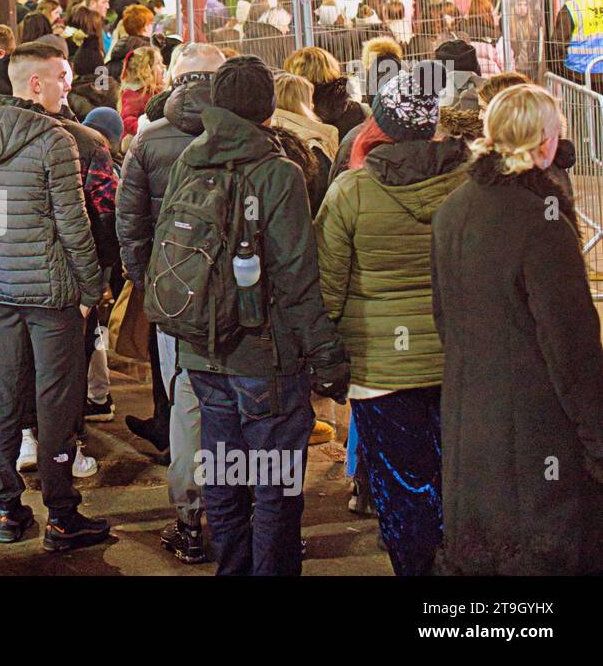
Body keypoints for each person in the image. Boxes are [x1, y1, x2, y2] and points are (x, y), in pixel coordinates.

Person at [156, 55, 349, 575]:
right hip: (265, 359)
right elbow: (295, 278)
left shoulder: (190, 159)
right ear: (268, 111)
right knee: (275, 488)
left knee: (223, 477)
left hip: (201, 350)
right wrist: (328, 358)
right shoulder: (278, 172)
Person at [432, 83, 603, 575]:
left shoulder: (453, 210)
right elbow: (571, 346)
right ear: (546, 141)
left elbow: (443, 316)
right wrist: (596, 436)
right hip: (535, 431)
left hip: (469, 420)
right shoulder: (542, 220)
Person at [0, 41, 110, 551]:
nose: (70, 85)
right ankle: (63, 515)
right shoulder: (54, 140)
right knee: (56, 404)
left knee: (4, 396)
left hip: (1, 290)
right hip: (52, 295)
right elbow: (74, 225)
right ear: (36, 83)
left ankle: (7, 508)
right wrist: (92, 289)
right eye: (62, 76)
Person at [315, 65, 465, 576]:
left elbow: (327, 288)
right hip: (458, 362)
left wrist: (324, 356)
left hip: (382, 370)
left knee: (402, 487)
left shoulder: (351, 193)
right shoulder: (469, 186)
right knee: (457, 479)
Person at [115, 41, 224, 562]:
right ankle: (244, 516)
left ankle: (191, 520)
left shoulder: (148, 141)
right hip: (240, 303)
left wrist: (150, 282)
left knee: (186, 404)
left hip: (174, 302)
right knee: (241, 405)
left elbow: (128, 224)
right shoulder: (258, 141)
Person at [270, 72, 338, 210]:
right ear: (303, 103)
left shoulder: (263, 134)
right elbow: (323, 196)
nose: (313, 105)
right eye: (310, 99)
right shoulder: (312, 143)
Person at [549, 0, 603, 91]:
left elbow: (556, 44)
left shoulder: (571, 7)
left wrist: (558, 70)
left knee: (579, 108)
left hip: (578, 73)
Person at [117, 45, 164, 140]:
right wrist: (144, 127)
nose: (163, 67)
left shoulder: (152, 91)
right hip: (140, 141)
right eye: (158, 64)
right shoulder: (134, 94)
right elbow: (127, 119)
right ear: (146, 70)